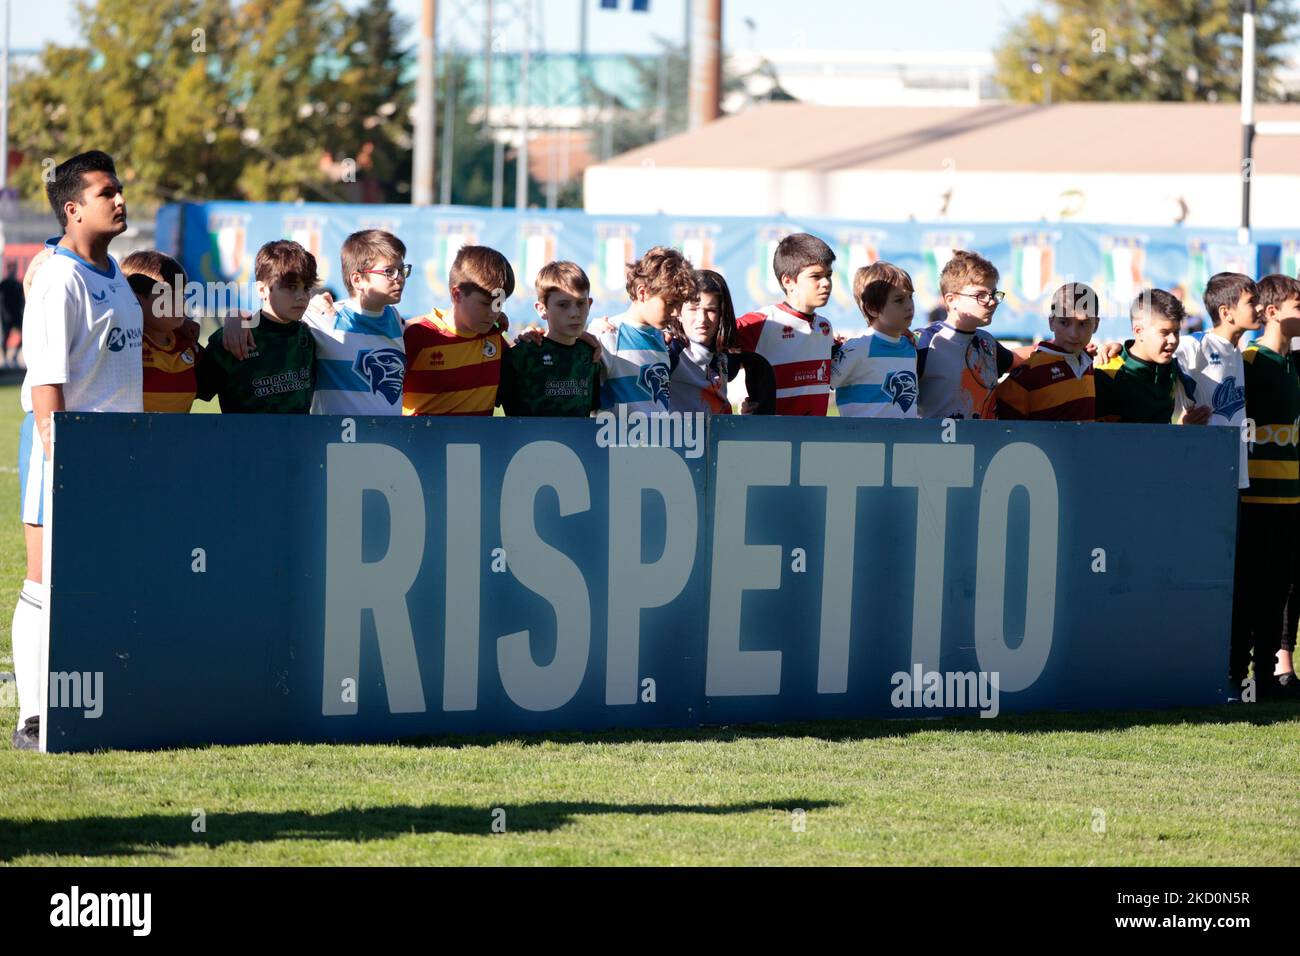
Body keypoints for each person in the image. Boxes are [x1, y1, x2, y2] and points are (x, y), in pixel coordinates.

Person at [13, 150, 143, 750]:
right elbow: (46, 379)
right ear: (72, 209)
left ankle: (91, 705)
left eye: (119, 190)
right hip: (64, 450)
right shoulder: (58, 277)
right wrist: (59, 457)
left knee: (101, 580)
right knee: (44, 583)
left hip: (115, 453)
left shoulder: (114, 275)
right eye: (106, 193)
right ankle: (33, 717)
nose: (120, 200)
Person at [1238, 274, 1300, 700]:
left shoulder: (1292, 363)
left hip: (1291, 497)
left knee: (1281, 587)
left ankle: (1269, 676)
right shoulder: (1250, 361)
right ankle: (1237, 675)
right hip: (1255, 497)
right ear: (1273, 311)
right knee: (1251, 589)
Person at [197, 241, 318, 413]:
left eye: (306, 288)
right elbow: (185, 396)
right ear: (262, 290)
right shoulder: (232, 339)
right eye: (291, 287)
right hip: (242, 439)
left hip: (299, 439)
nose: (301, 296)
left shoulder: (311, 337)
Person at [404, 244, 515, 416]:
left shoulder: (494, 338)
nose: (494, 312)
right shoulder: (418, 334)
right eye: (485, 303)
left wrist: (533, 342)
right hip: (417, 441)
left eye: (499, 304)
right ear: (457, 294)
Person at [733, 233, 836, 415]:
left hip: (815, 439)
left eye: (828, 275)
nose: (826, 283)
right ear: (788, 282)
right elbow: (713, 339)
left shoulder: (824, 327)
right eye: (816, 276)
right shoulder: (762, 322)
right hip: (773, 439)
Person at [593, 245, 698, 415]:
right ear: (643, 292)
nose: (677, 312)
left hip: (659, 440)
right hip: (616, 440)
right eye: (671, 303)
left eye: (680, 304)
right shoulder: (607, 335)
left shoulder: (663, 338)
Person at [914, 250, 1019, 420]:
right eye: (981, 295)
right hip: (935, 445)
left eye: (994, 294)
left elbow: (1018, 360)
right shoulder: (923, 342)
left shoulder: (987, 343)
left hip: (985, 444)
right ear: (951, 300)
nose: (991, 302)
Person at [498, 260, 600, 417]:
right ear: (542, 309)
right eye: (563, 305)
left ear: (590, 304)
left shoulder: (590, 355)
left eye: (581, 303)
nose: (574, 313)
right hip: (527, 441)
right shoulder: (521, 355)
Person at [1093, 289, 1210, 425]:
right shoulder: (1108, 372)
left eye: (1176, 332)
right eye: (1164, 332)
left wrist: (1182, 427)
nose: (1173, 340)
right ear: (1139, 332)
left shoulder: (1174, 366)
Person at [994, 282, 1099, 421]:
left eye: (1083, 324)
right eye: (1064, 322)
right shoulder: (1029, 371)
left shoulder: (1088, 361)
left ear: (1096, 325)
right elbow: (1002, 427)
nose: (1073, 334)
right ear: (1051, 322)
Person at [830, 261, 919, 418]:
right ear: (872, 308)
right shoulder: (857, 347)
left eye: (910, 297)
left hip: (905, 440)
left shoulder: (911, 347)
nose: (909, 306)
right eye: (899, 300)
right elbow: (824, 385)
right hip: (863, 441)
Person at [122, 251, 201, 413]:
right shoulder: (124, 345)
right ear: (135, 298)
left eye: (182, 294)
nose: (181, 302)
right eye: (169, 295)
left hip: (179, 438)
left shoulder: (188, 345)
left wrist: (235, 321)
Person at [670, 269, 737, 415]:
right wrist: (609, 328)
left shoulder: (724, 354)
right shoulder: (670, 350)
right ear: (678, 313)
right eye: (693, 309)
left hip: (719, 435)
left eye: (711, 310)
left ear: (722, 314)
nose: (702, 319)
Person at [0, 262, 23, 368]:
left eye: (14, 269)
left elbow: (22, 300)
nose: (12, 271)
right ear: (8, 270)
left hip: (17, 316)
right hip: (6, 317)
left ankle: (14, 357)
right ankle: (5, 360)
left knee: (24, 336)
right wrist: (4, 314)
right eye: (11, 269)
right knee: (6, 337)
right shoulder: (3, 284)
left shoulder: (18, 284)